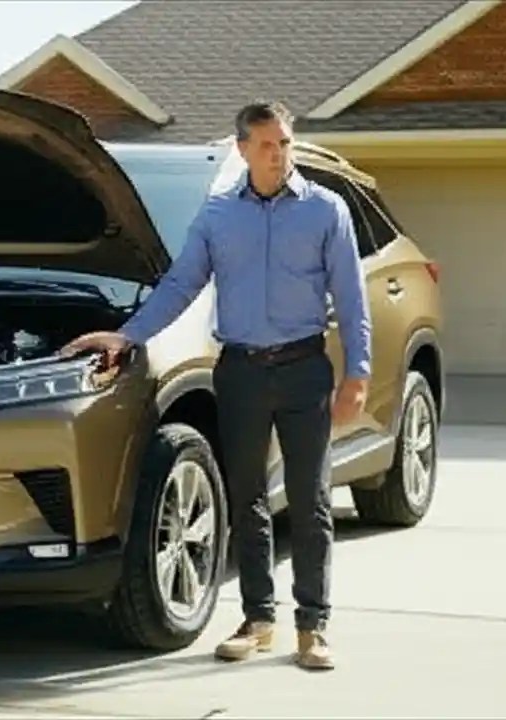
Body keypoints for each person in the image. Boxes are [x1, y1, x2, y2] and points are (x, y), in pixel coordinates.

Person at [61, 101, 371, 671]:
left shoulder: (327, 211)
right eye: (268, 145)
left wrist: (357, 373)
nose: (279, 154)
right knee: (247, 498)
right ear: (244, 149)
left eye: (285, 143)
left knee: (310, 500)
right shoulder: (218, 216)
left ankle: (314, 626)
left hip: (304, 370)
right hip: (242, 371)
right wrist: (125, 336)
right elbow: (180, 285)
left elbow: (352, 298)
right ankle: (259, 620)